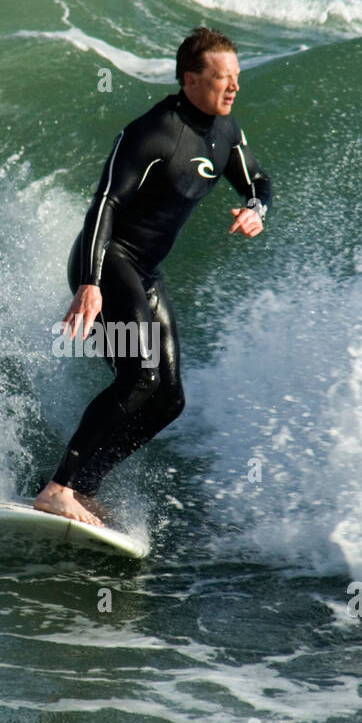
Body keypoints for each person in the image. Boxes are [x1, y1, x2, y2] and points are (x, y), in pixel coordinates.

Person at [33, 27, 273, 526]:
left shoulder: (225, 131)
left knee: (168, 399)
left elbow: (257, 181)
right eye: (221, 78)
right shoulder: (154, 132)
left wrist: (256, 208)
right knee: (139, 376)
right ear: (189, 79)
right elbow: (104, 203)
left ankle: (82, 486)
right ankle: (58, 488)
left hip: (145, 270)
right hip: (105, 261)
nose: (233, 87)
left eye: (236, 77)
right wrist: (90, 283)